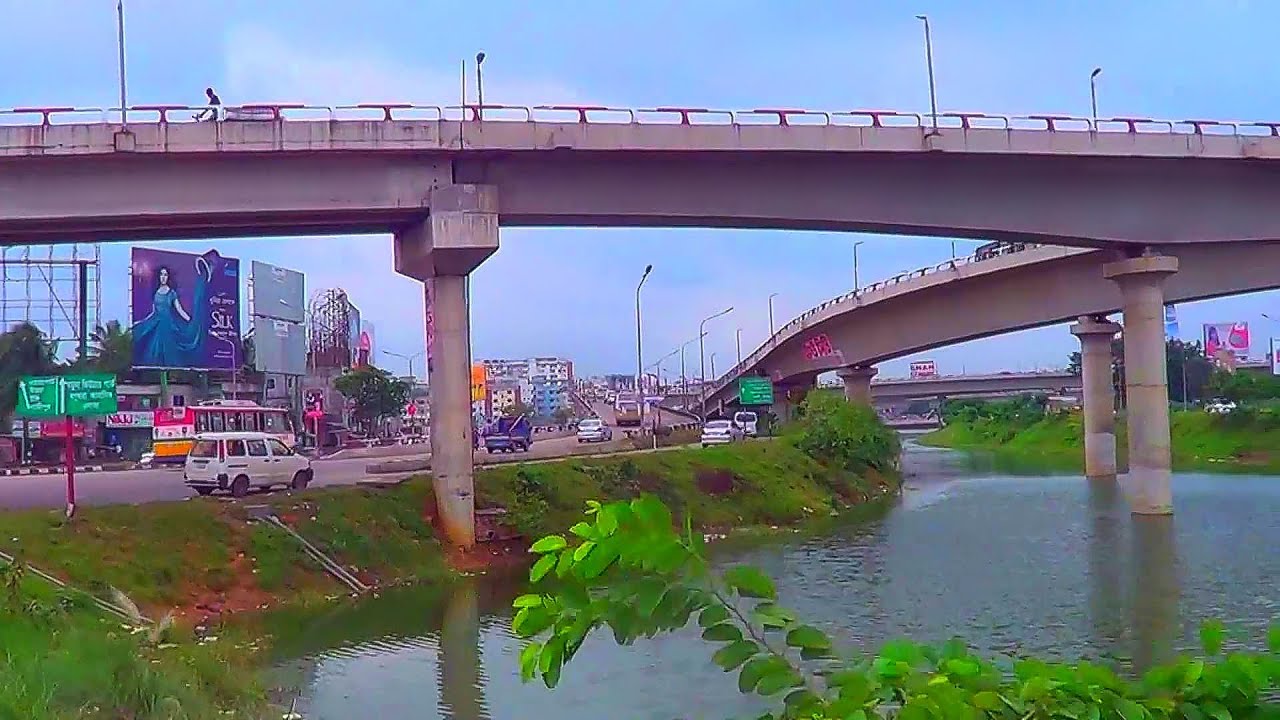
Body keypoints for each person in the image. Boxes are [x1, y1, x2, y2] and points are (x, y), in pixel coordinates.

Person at [131, 256, 213, 367]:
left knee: (170, 354)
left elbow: (179, 310)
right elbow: (153, 312)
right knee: (151, 354)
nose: (163, 277)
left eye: (165, 275)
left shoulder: (171, 293)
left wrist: (191, 320)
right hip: (156, 325)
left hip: (168, 326)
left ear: (168, 277)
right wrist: (142, 322)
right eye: (161, 274)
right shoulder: (155, 292)